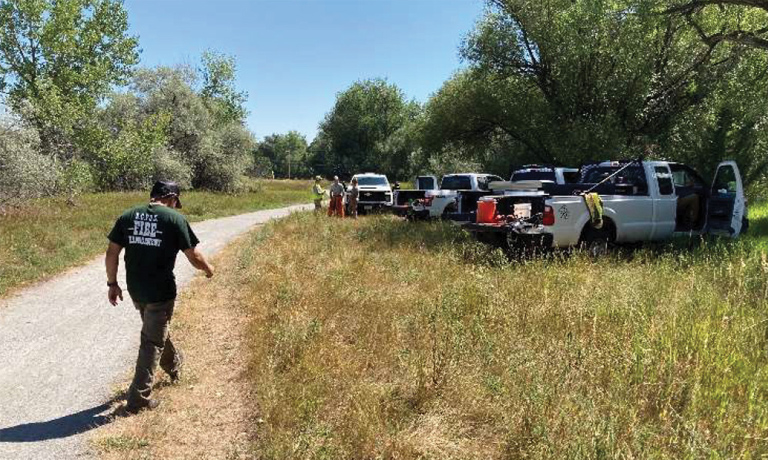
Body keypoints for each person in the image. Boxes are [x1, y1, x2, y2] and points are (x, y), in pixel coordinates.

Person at [105, 180, 215, 414]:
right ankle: (138, 400)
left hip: (136, 290)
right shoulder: (174, 219)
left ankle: (174, 365)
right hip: (161, 292)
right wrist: (208, 269)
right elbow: (194, 255)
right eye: (176, 202)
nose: (175, 206)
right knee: (151, 342)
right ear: (172, 197)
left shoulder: (128, 216)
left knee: (155, 332)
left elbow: (112, 252)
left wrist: (112, 283)